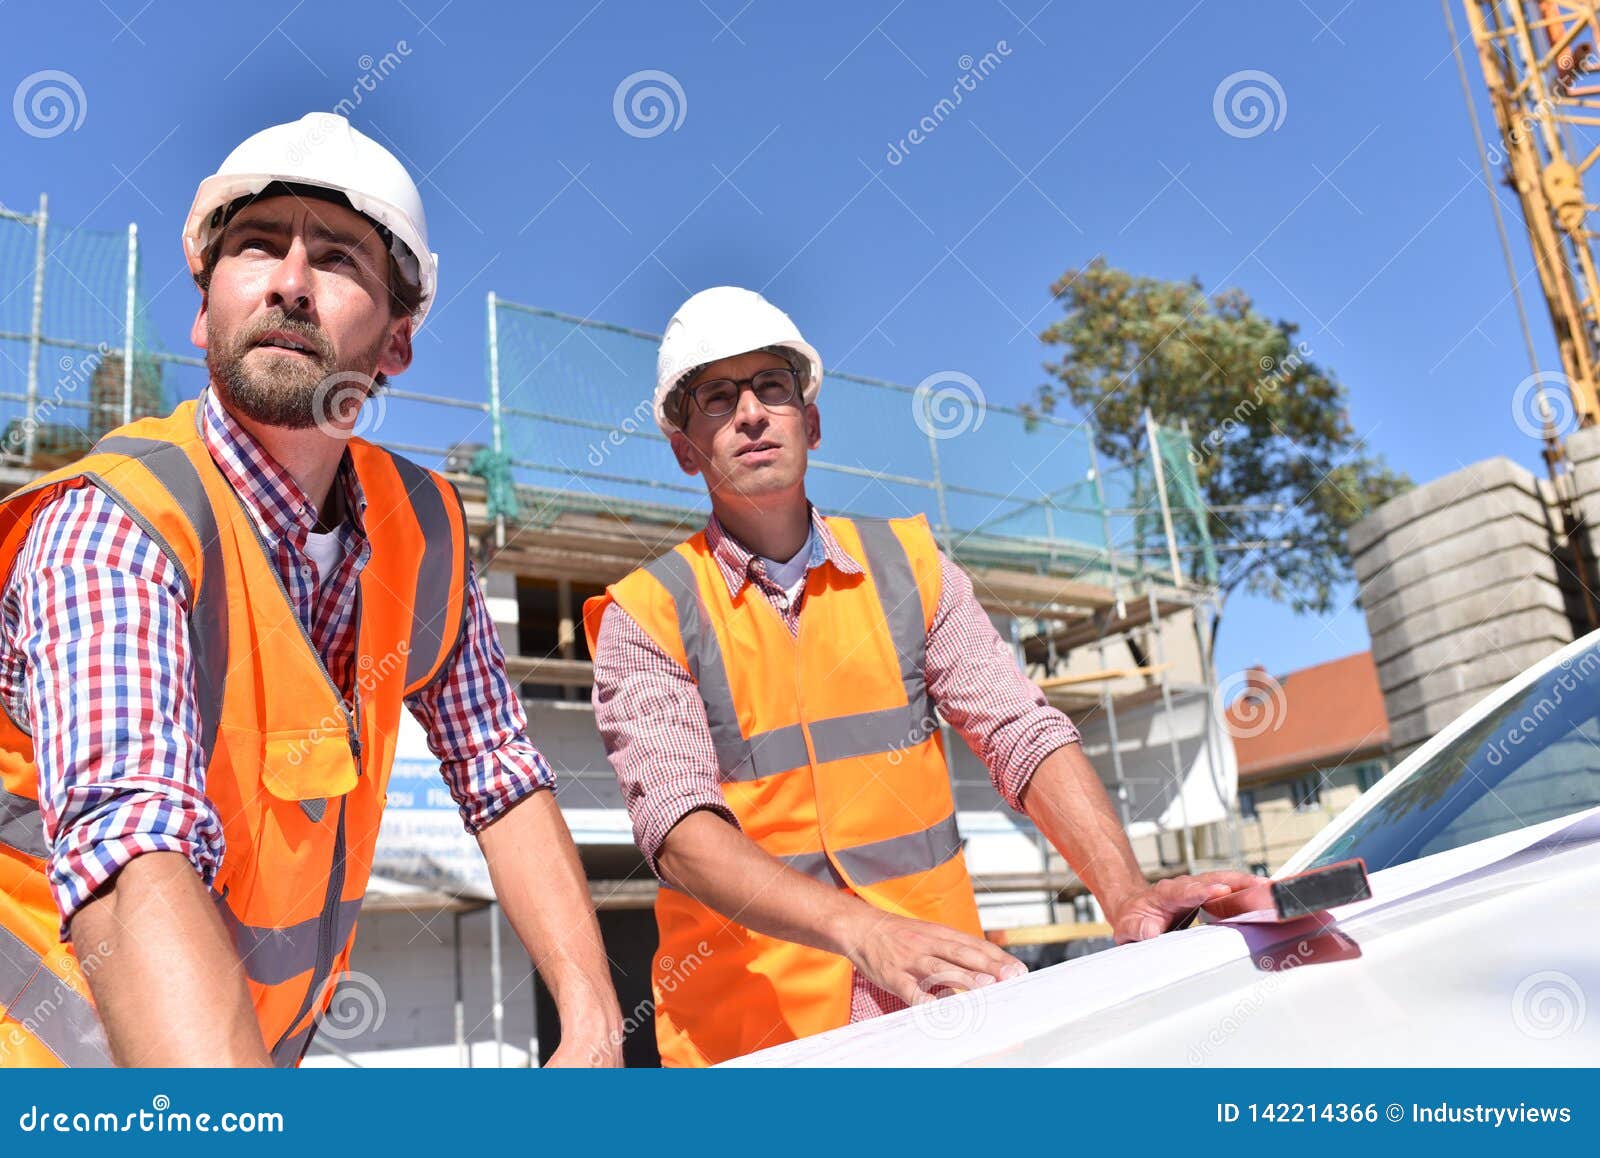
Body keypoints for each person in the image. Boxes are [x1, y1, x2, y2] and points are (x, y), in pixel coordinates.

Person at [0, 113, 621, 1068]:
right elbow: (133, 848)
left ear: (397, 346)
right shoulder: (118, 524)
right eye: (256, 246)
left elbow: (500, 774)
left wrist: (590, 1022)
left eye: (336, 260)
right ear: (205, 310)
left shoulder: (424, 532)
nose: (291, 281)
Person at [583, 286, 1254, 1067]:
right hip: (753, 1048)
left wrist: (1125, 893)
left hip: (943, 1020)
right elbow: (679, 829)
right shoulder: (648, 612)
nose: (752, 413)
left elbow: (1020, 730)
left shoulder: (910, 565)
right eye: (717, 398)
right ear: (684, 448)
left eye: (772, 387)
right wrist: (863, 932)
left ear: (813, 419)